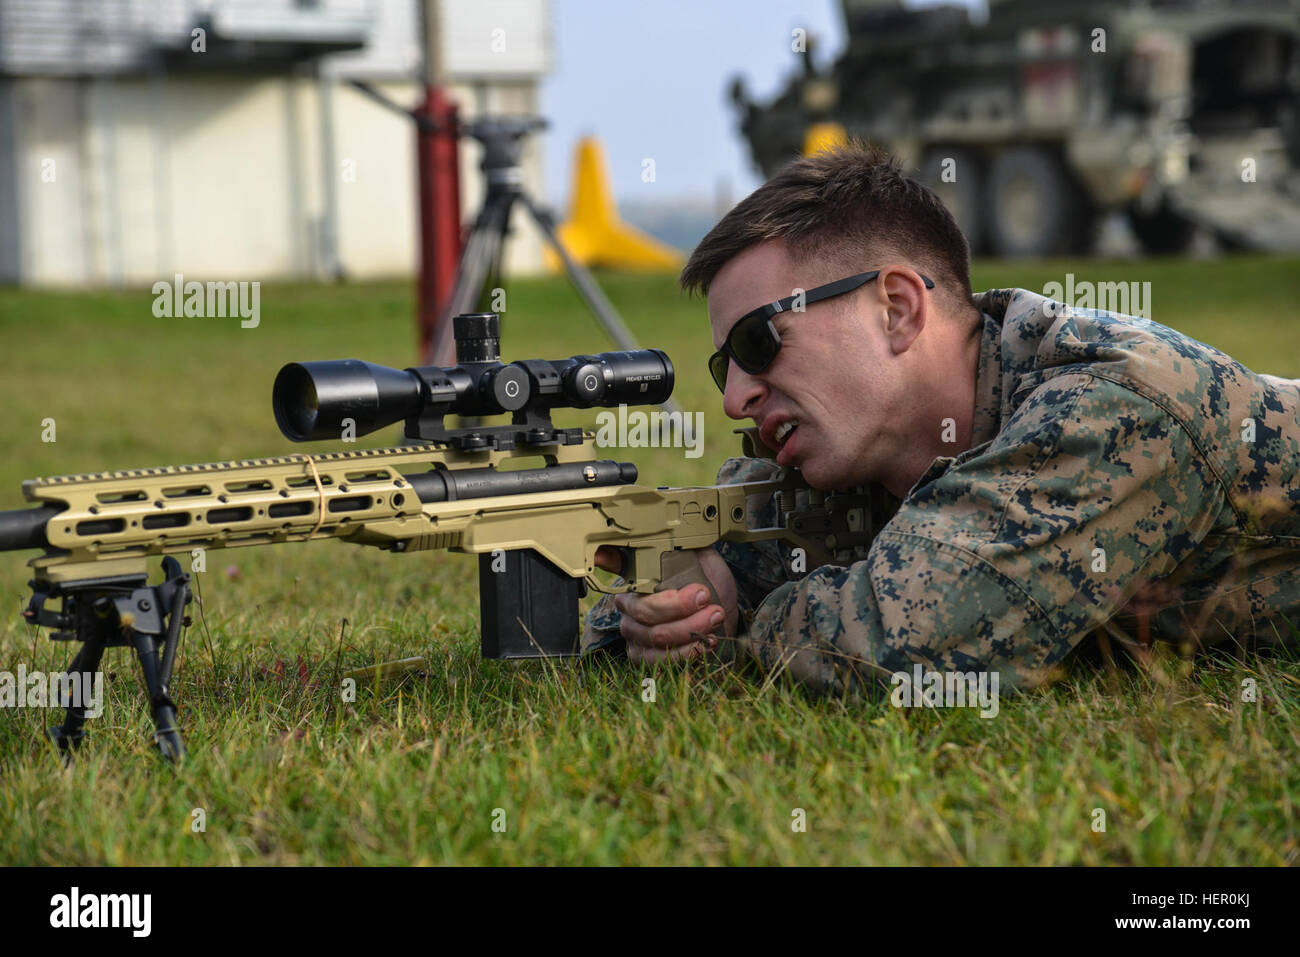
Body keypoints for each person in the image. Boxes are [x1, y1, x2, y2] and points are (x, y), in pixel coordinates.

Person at [581, 141, 1300, 697]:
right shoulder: (850, 446)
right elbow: (712, 563)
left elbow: (912, 641)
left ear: (896, 309)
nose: (736, 396)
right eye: (724, 367)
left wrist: (732, 630)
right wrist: (676, 602)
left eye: (757, 343)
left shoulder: (1115, 401)